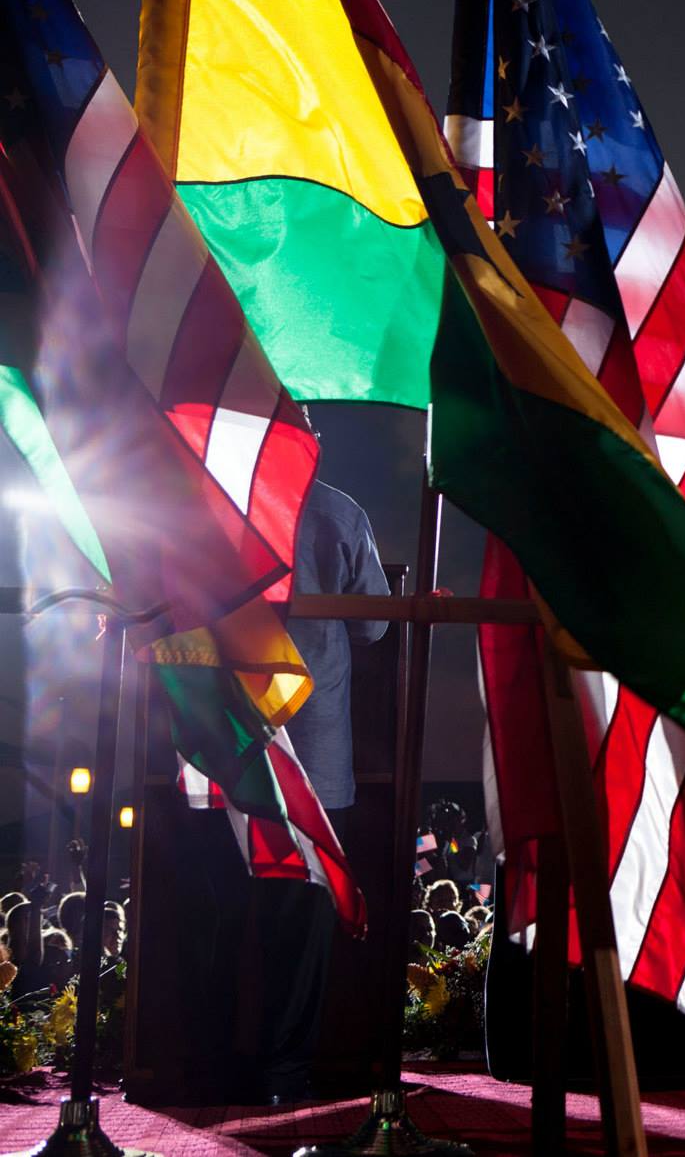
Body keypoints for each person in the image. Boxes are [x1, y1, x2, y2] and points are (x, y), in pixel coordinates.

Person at [244, 456, 389, 1103]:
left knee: (231, 911)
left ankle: (215, 1064)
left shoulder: (223, 501)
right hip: (317, 753)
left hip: (234, 744)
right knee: (301, 922)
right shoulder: (339, 512)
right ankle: (285, 1073)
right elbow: (375, 625)